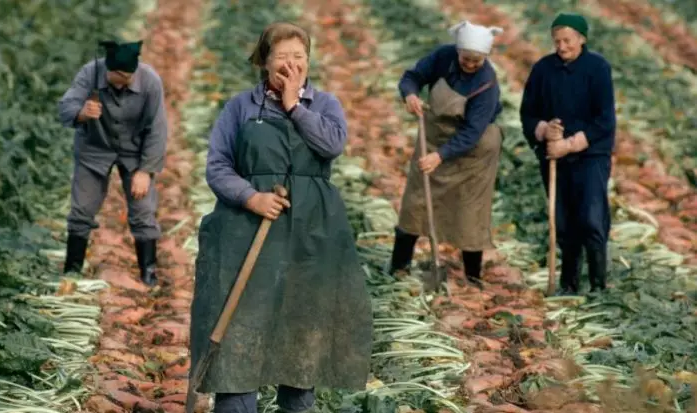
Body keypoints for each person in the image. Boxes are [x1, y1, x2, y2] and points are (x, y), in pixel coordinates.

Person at [188, 22, 373, 413]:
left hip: (310, 236)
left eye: (300, 58)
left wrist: (294, 106)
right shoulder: (239, 107)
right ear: (264, 62)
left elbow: (331, 145)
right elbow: (218, 166)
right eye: (283, 57)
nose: (292, 65)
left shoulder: (324, 105)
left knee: (302, 333)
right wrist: (251, 197)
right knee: (240, 331)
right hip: (246, 233)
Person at [388, 20, 505, 289]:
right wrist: (410, 95)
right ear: (458, 51)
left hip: (473, 151)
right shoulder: (443, 57)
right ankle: (398, 267)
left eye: (477, 60)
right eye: (467, 58)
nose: (471, 64)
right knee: (416, 200)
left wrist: (440, 156)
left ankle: (472, 278)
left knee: (470, 210)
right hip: (434, 135)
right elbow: (412, 77)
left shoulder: (487, 83)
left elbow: (472, 132)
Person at [57, 40, 167, 287]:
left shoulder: (150, 82)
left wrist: (146, 171)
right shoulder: (90, 73)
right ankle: (72, 271)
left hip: (135, 153)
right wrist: (81, 113)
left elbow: (157, 130)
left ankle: (149, 274)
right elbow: (65, 107)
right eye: (119, 77)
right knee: (81, 210)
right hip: (94, 150)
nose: (125, 81)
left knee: (143, 211)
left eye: (129, 77)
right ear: (108, 70)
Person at [520, 13, 616, 296]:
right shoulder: (543, 69)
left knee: (590, 218)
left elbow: (604, 121)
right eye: (557, 41)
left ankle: (598, 286)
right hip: (554, 158)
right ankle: (568, 284)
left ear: (582, 39)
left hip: (590, 156)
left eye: (567, 40)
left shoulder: (597, 68)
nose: (562, 46)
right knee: (562, 221)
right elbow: (528, 113)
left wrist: (571, 144)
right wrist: (542, 130)